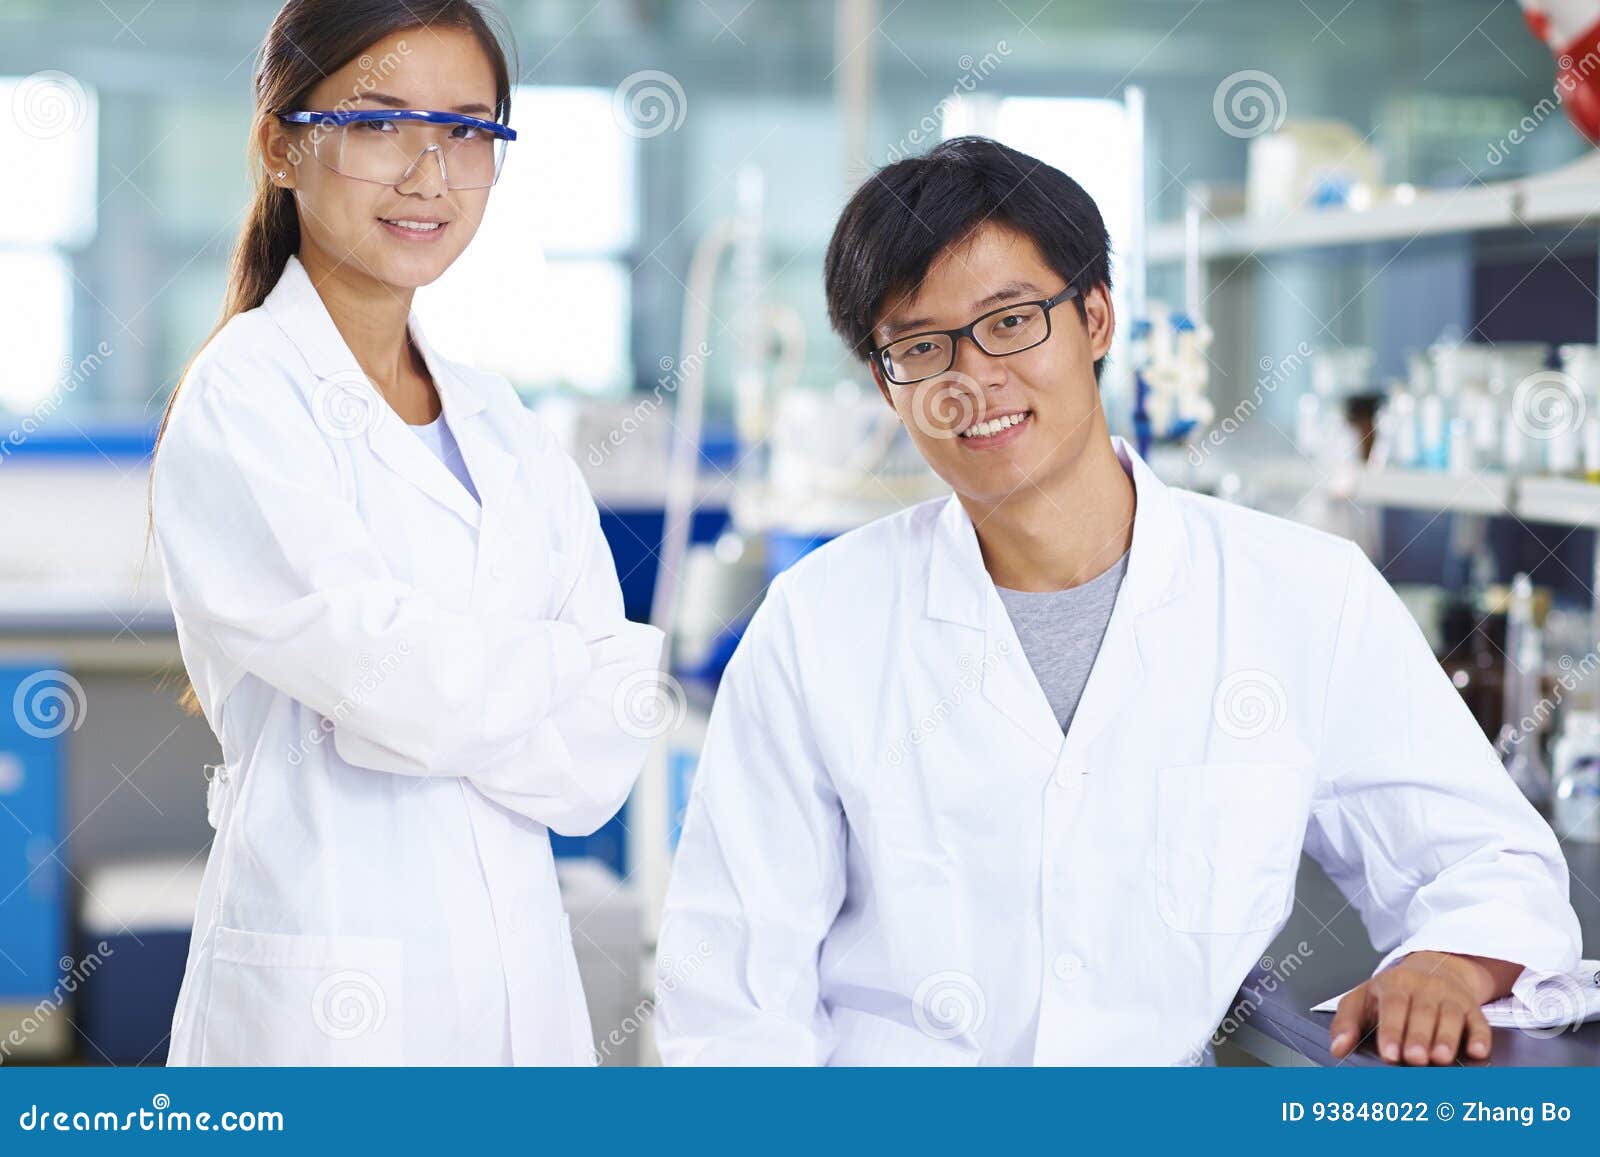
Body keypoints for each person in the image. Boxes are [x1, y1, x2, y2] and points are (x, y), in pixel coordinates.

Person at [653, 136, 1581, 1066]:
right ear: (884, 384)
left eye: (1011, 321)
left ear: (1096, 317)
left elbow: (1484, 858)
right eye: (921, 346)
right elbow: (730, 998)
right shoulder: (816, 624)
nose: (973, 379)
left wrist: (1449, 965)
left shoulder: (1303, 594)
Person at [149, 0, 661, 1065]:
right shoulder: (243, 396)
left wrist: (438, 697)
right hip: (327, 1005)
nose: (430, 173)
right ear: (284, 145)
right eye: (381, 123)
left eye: (469, 130)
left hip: (521, 993)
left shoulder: (501, 421)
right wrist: (540, 671)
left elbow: (600, 749)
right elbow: (401, 680)